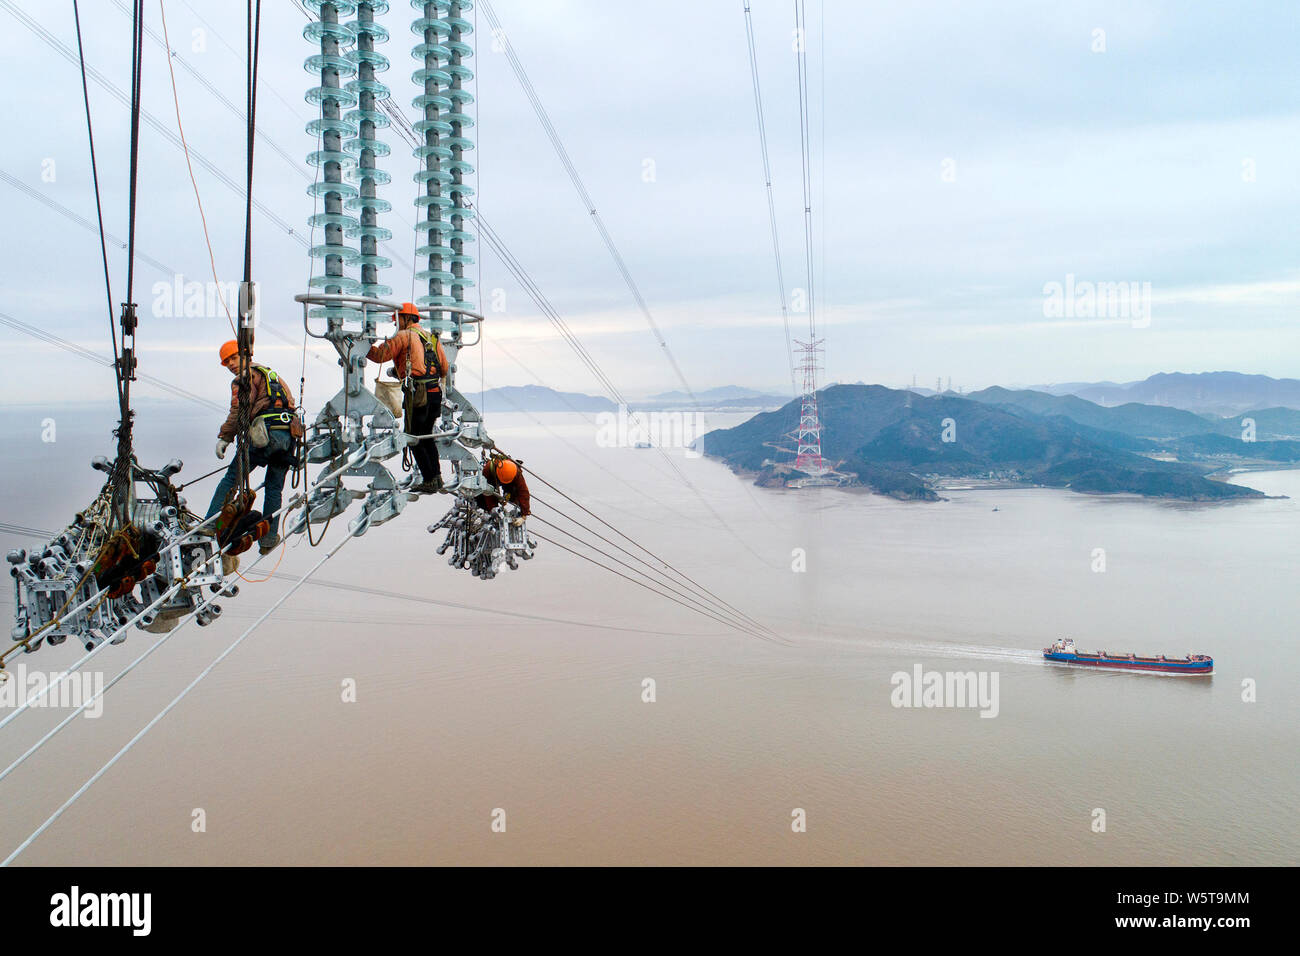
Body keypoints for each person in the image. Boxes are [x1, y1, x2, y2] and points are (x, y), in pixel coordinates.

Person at [206, 341, 297, 554]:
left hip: (263, 435)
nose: (230, 364)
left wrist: (225, 437)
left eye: (233, 358)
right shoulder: (272, 376)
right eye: (226, 362)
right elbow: (289, 403)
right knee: (274, 488)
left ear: (245, 354)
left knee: (231, 480)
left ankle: (209, 525)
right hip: (287, 437)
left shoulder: (243, 379)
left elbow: (238, 410)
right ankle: (268, 539)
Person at [367, 302, 447, 494]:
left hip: (417, 393)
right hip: (435, 392)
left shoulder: (403, 336)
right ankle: (436, 477)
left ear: (406, 318)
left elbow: (379, 355)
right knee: (427, 435)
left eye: (398, 319)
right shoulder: (431, 339)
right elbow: (443, 368)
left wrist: (362, 343)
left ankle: (429, 480)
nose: (397, 324)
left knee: (413, 437)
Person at [476, 455, 530, 525]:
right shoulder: (488, 470)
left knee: (515, 493)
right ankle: (489, 514)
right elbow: (487, 494)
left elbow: (523, 492)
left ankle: (516, 505)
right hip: (492, 479)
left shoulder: (516, 472)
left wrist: (524, 515)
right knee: (482, 499)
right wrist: (494, 510)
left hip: (508, 480)